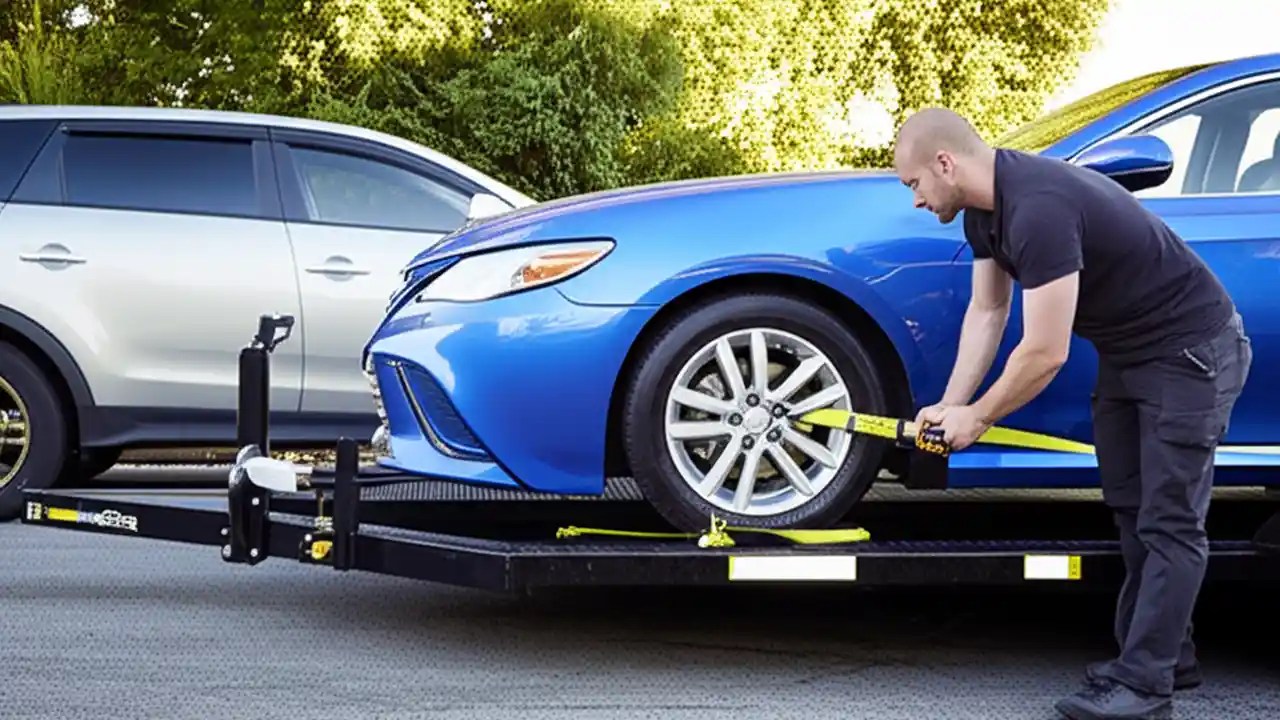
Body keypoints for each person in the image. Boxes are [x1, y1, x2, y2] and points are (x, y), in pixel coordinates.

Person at [892, 108, 1252, 720]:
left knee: (1170, 521)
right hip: (1131, 354)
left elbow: (1045, 353)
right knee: (1133, 509)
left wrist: (976, 419)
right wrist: (951, 403)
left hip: (1190, 352)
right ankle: (1167, 656)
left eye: (914, 183)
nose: (917, 199)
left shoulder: (1039, 209)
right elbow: (988, 312)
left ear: (945, 164)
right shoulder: (985, 213)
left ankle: (1144, 688)